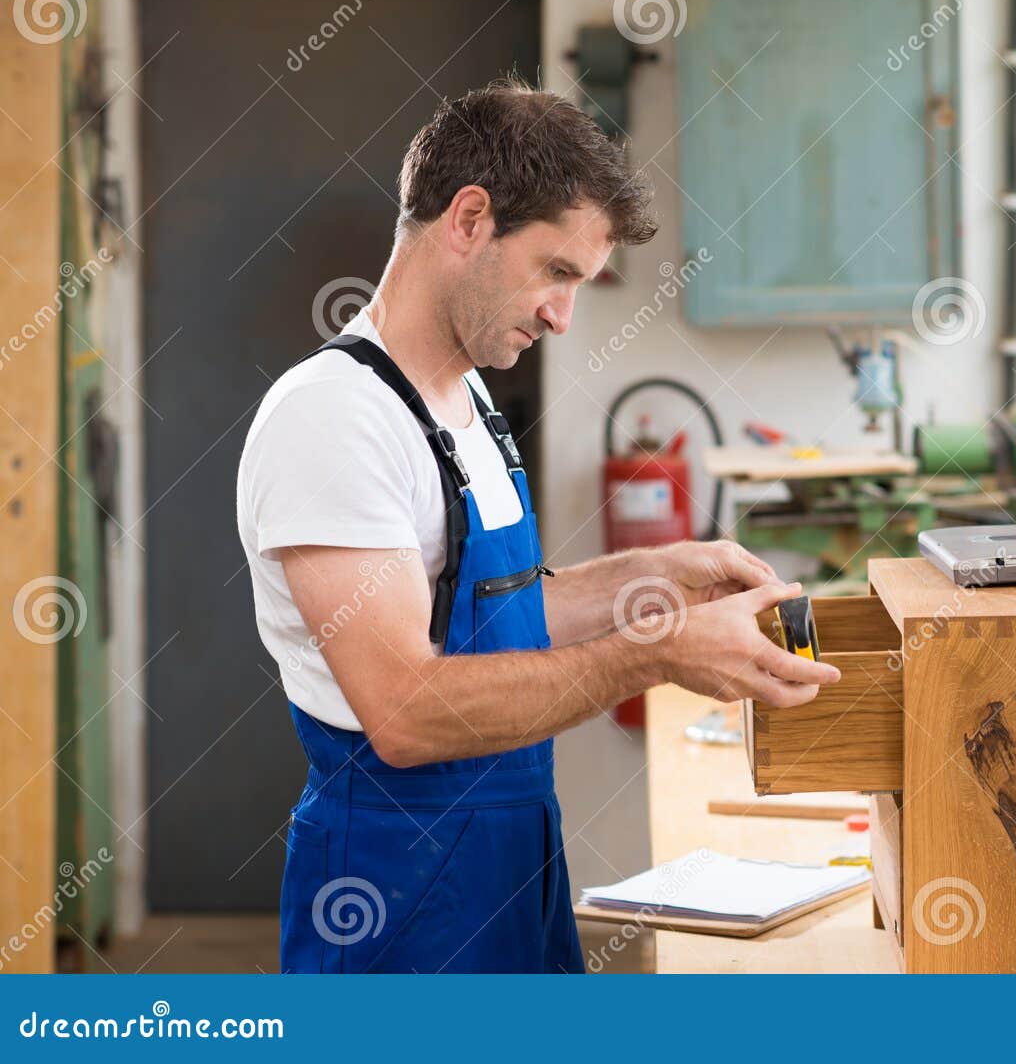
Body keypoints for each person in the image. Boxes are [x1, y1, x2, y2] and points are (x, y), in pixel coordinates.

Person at [235, 80, 839, 973]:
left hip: (512, 868)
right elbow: (404, 710)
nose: (562, 315)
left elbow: (492, 618)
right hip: (397, 901)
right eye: (556, 272)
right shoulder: (335, 417)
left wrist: (656, 578)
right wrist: (657, 652)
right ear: (469, 220)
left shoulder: (467, 395)